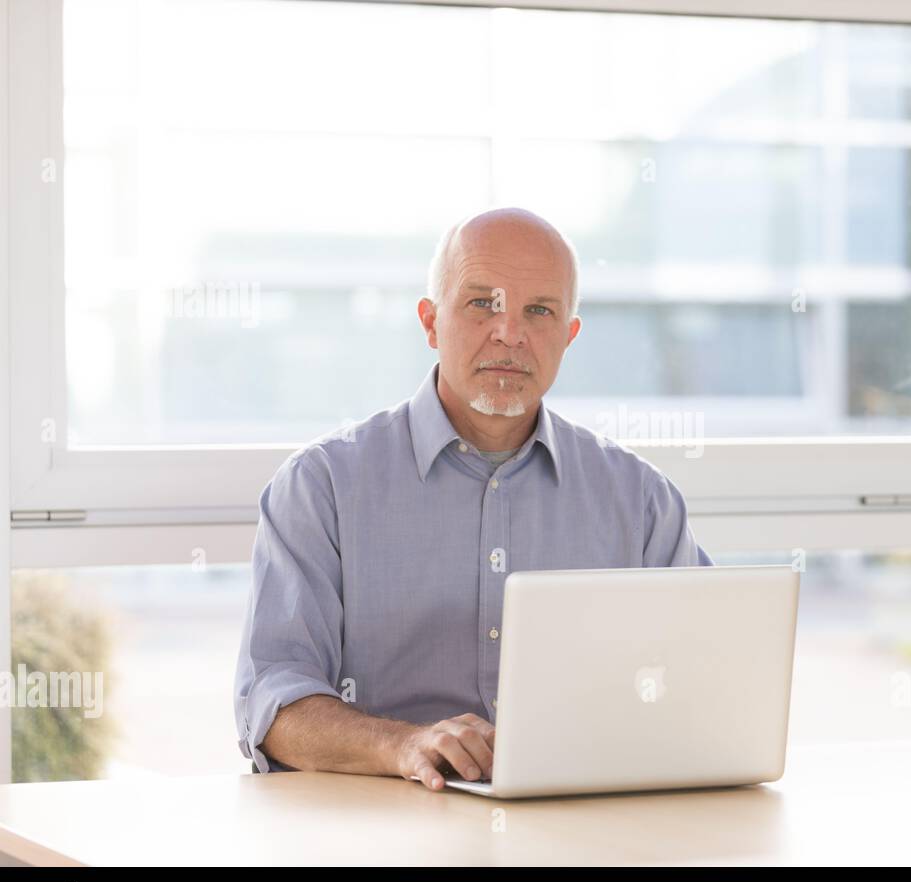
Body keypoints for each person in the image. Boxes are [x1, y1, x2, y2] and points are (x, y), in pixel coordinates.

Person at [233, 207, 711, 790]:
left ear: (569, 335)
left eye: (539, 310)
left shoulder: (642, 502)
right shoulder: (322, 487)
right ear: (431, 323)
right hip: (380, 830)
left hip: (584, 828)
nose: (510, 333)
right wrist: (402, 744)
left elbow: (706, 682)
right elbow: (275, 702)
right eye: (483, 303)